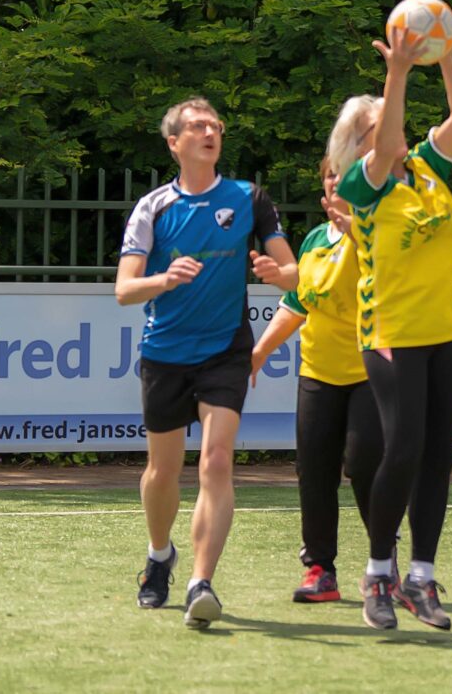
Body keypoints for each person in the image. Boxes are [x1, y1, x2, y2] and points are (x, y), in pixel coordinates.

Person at [116, 97, 297, 629]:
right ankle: (158, 555)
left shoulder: (249, 198)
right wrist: (164, 280)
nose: (209, 131)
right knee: (161, 472)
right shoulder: (153, 207)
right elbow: (126, 290)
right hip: (165, 352)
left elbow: (295, 275)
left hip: (226, 352)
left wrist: (277, 273)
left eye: (214, 124)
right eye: (196, 126)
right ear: (174, 143)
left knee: (217, 461)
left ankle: (201, 581)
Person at [335, 8, 452, 630]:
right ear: (361, 140)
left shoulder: (425, 167)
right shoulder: (362, 185)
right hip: (391, 334)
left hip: (445, 333)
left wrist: (443, 54)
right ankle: (376, 574)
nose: (390, 130)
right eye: (375, 125)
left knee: (438, 456)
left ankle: (421, 577)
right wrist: (395, 72)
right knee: (404, 448)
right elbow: (387, 140)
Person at [249, 151, 381, 605]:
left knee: (365, 468)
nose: (335, 183)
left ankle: (384, 564)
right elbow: (298, 303)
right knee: (314, 472)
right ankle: (320, 570)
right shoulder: (312, 242)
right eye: (329, 176)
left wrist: (359, 235)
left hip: (370, 373)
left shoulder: (382, 235)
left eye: (344, 176)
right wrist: (260, 351)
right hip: (318, 373)